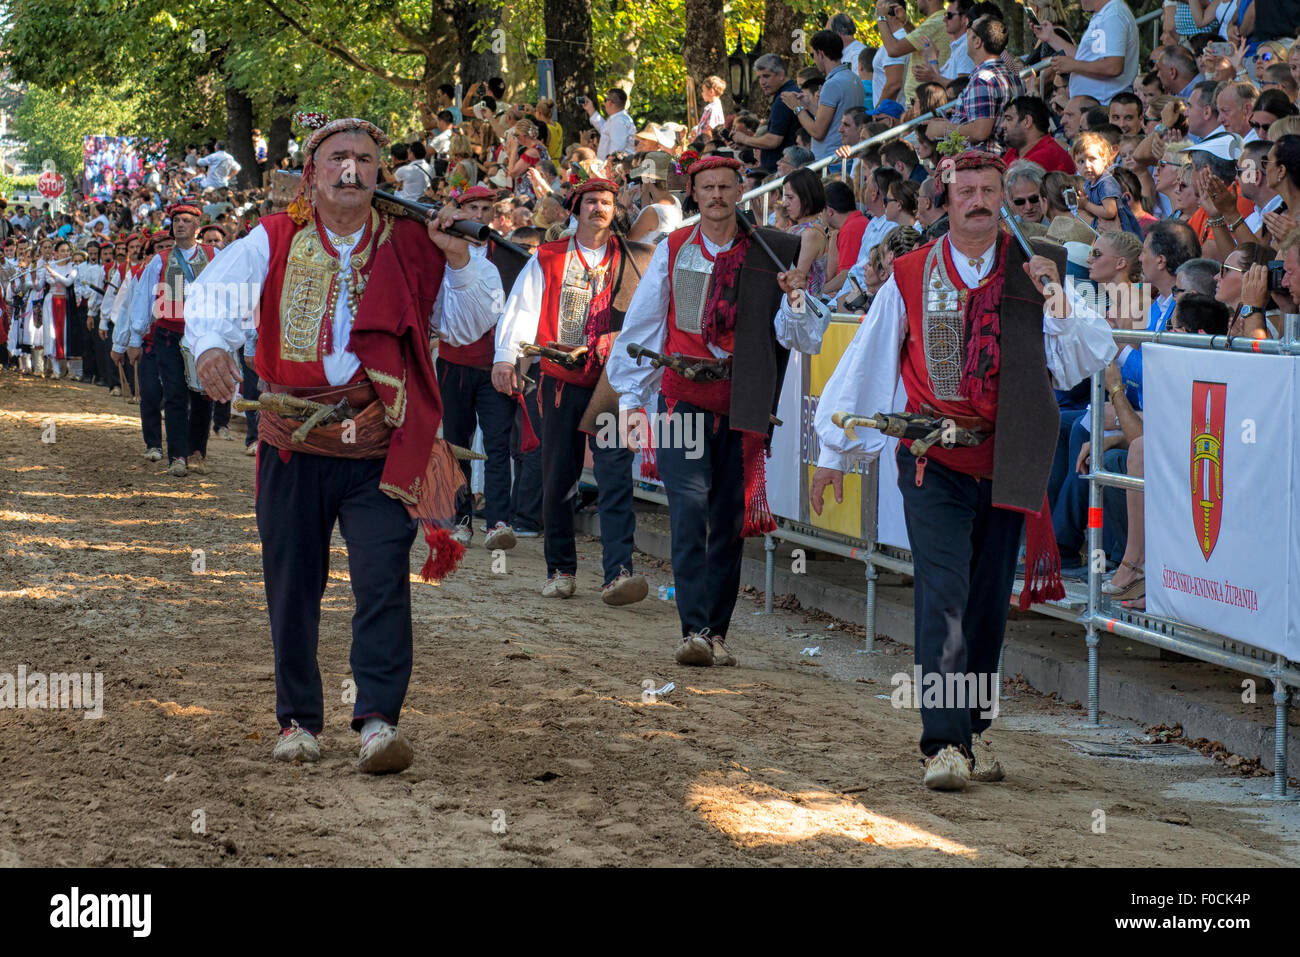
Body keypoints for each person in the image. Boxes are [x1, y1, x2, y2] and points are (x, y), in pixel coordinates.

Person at [188, 115, 500, 773]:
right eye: (337, 157)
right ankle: (297, 721)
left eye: (363, 157)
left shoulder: (415, 245)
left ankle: (379, 721)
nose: (350, 168)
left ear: (379, 173)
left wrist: (459, 257)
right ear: (313, 172)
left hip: (379, 447)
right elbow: (213, 296)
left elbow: (471, 322)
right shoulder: (272, 237)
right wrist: (213, 345)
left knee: (382, 580)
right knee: (292, 585)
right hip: (292, 445)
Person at [810, 151, 1115, 790]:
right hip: (932, 461)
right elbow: (867, 362)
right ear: (945, 202)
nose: (978, 200)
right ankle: (943, 745)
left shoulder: (1036, 270)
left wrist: (1054, 295)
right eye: (966, 190)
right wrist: (832, 452)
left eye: (990, 190)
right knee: (943, 594)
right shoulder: (911, 273)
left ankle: (973, 732)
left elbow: (1085, 356)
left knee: (985, 608)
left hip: (1005, 461)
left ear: (1005, 198)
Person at [606, 155, 827, 666]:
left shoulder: (773, 250)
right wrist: (632, 400)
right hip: (683, 396)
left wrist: (796, 295)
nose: (717, 196)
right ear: (695, 194)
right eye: (707, 188)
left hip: (742, 403)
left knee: (726, 518)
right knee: (689, 510)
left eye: (726, 186)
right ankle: (694, 629)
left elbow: (805, 337)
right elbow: (643, 326)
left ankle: (716, 632)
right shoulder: (674, 248)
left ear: (740, 191)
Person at [492, 178, 655, 603]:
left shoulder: (637, 261)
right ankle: (560, 569)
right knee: (559, 476)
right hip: (560, 380)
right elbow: (522, 309)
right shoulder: (547, 258)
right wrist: (506, 357)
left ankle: (618, 573)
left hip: (611, 382)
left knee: (615, 476)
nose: (599, 208)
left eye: (606, 202)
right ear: (575, 209)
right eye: (591, 202)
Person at [434, 184, 523, 550]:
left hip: (494, 368)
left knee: (498, 444)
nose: (481, 215)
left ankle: (499, 521)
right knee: (456, 444)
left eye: (487, 208)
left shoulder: (508, 256)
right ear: (460, 210)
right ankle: (462, 520)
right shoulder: (440, 250)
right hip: (453, 364)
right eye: (474, 208)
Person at [122, 202, 218, 477]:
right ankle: (178, 455)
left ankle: (197, 450)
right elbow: (143, 298)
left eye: (187, 221)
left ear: (197, 227)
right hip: (168, 334)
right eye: (177, 220)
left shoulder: (214, 255)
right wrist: (135, 337)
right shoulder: (160, 259)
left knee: (202, 394)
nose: (180, 225)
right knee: (175, 394)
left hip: (203, 336)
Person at [925, 15, 1024, 152]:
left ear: (977, 42)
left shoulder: (982, 79)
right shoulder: (1011, 74)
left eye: (969, 29)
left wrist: (943, 129)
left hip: (984, 163)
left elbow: (980, 131)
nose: (965, 34)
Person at [1034, 0, 1139, 105]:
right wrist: (1050, 37)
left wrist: (1074, 65)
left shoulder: (1113, 15)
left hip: (1102, 107)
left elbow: (1113, 67)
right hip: (1093, 106)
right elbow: (1083, 57)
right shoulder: (1105, 14)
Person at [783, 31, 865, 164]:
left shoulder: (832, 84)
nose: (814, 60)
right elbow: (834, 119)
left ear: (821, 54)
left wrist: (797, 108)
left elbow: (817, 132)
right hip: (844, 158)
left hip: (831, 161)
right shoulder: (853, 78)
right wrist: (808, 104)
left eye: (813, 55)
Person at [782, 167, 829, 298]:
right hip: (791, 305)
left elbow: (796, 280)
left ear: (806, 199)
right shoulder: (796, 229)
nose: (785, 204)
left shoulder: (811, 233)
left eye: (790, 198)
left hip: (803, 308)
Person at [583, 88, 637, 160]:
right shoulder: (617, 119)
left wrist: (608, 165)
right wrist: (590, 109)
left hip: (612, 167)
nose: (605, 103)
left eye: (606, 100)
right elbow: (604, 129)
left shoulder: (619, 121)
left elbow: (617, 149)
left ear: (610, 102)